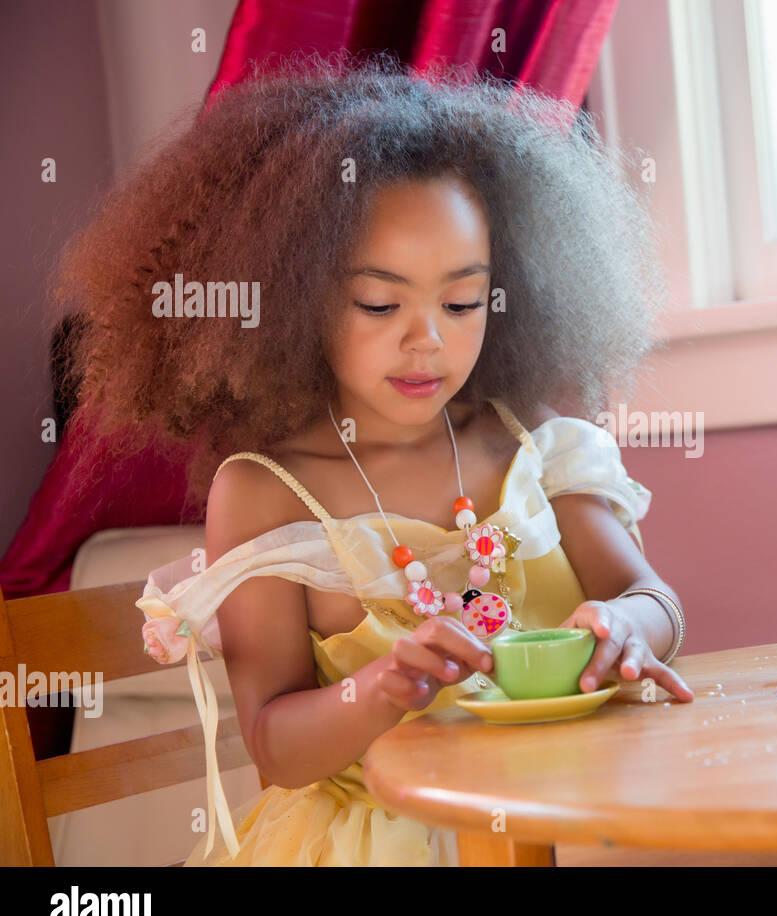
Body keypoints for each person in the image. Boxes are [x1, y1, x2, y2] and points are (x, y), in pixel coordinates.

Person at [50, 53, 694, 866]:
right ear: (294, 297)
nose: (427, 339)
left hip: (562, 825)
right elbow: (275, 745)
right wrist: (384, 684)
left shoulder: (527, 440)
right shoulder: (264, 493)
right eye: (381, 303)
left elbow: (651, 596)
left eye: (462, 302)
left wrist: (628, 624)